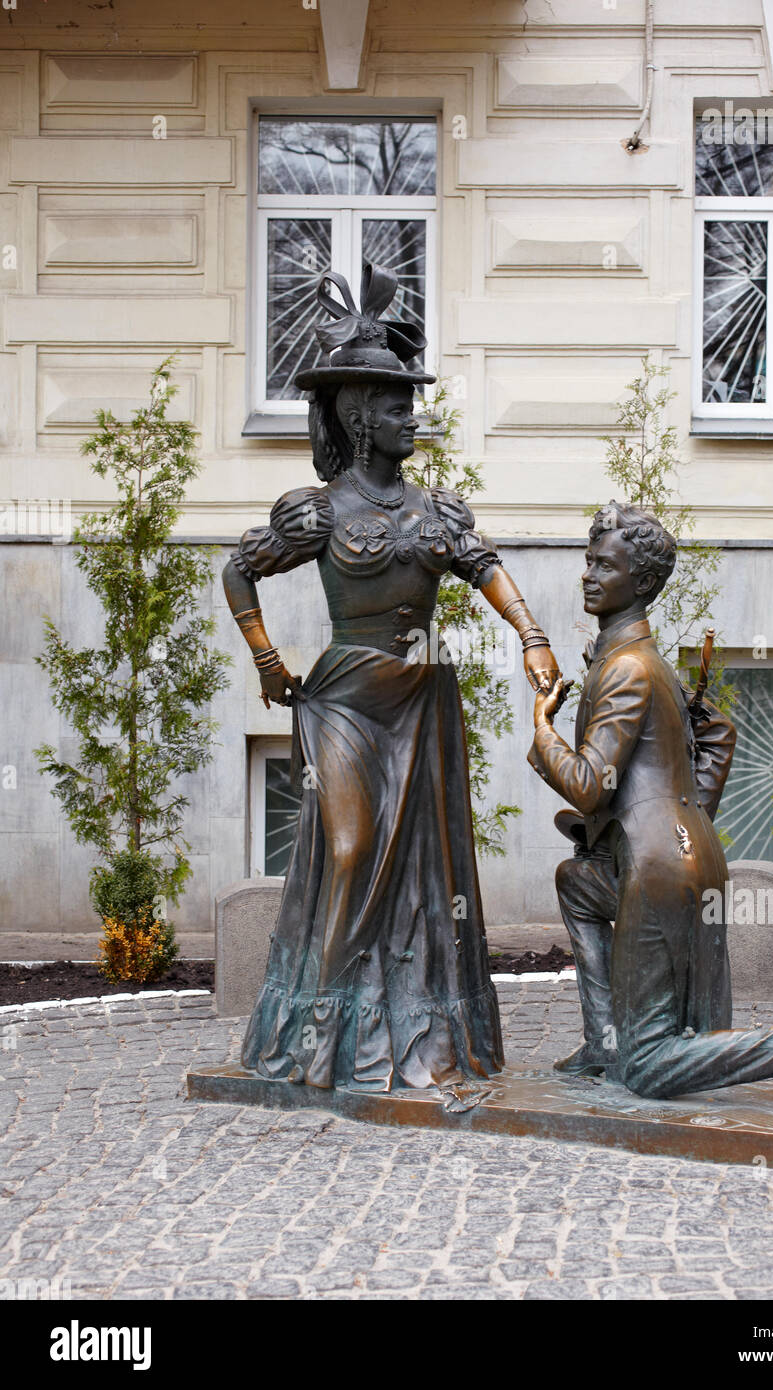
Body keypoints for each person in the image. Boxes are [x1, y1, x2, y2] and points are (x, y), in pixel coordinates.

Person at [223, 262, 561, 1095]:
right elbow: (237, 573)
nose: (414, 417)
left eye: (413, 402)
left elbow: (484, 570)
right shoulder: (319, 511)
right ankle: (321, 1028)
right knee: (350, 847)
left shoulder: (435, 511)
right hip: (343, 698)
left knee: (424, 872)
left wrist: (531, 635)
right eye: (399, 406)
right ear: (359, 417)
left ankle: (411, 1024)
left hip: (418, 701)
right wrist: (269, 660)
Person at [529, 501, 773, 1119]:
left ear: (644, 583)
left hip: (659, 870)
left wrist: (543, 725)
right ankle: (605, 1042)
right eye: (588, 561)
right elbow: (719, 735)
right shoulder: (640, 661)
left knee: (652, 1066)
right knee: (577, 881)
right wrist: (683, 815)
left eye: (606, 565)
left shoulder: (628, 668)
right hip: (686, 855)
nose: (588, 575)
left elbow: (587, 785)